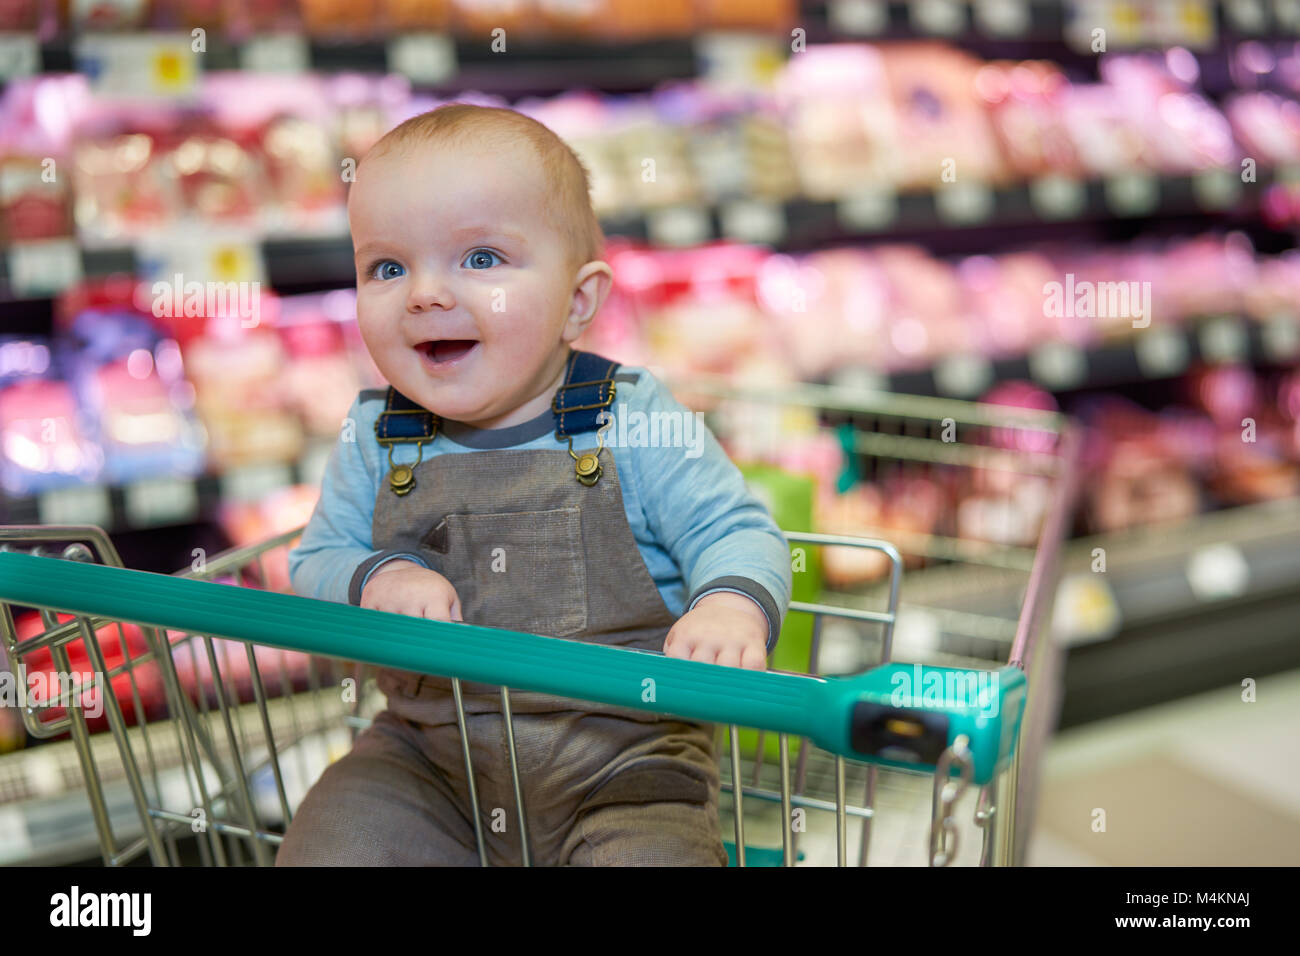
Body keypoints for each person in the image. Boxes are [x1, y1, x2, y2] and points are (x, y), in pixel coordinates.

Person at [276, 103, 792, 866]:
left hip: (627, 764)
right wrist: (372, 576)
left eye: (480, 259)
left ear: (578, 302)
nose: (423, 294)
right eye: (387, 267)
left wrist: (728, 605)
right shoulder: (374, 437)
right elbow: (315, 560)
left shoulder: (633, 416)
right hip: (428, 760)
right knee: (333, 843)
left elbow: (736, 530)